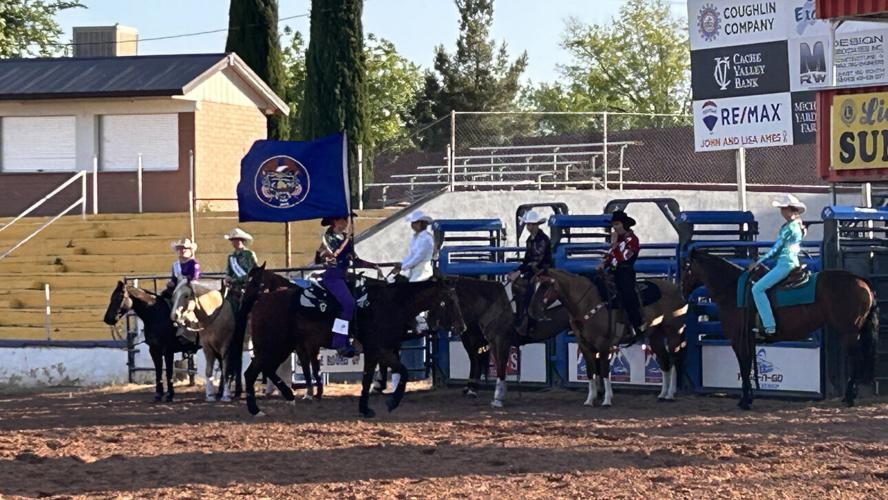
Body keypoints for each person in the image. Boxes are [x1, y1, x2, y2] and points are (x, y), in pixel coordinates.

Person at [317, 214, 380, 358]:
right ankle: (339, 342)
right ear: (334, 221)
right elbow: (334, 255)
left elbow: (354, 259)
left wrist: (370, 265)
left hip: (343, 276)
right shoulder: (329, 237)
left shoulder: (345, 238)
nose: (345, 223)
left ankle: (355, 336)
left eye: (346, 220)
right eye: (342, 220)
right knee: (348, 304)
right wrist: (347, 239)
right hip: (333, 277)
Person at [748, 194, 807, 337]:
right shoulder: (797, 226)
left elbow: (776, 248)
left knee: (757, 289)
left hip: (785, 264)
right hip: (792, 262)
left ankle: (769, 326)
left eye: (783, 209)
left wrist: (758, 262)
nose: (781, 212)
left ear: (789, 210)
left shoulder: (789, 228)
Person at [597, 210, 643, 344]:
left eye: (617, 224)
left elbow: (623, 258)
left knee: (628, 297)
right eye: (613, 225)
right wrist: (603, 264)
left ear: (624, 224)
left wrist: (615, 245)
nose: (615, 227)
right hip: (612, 272)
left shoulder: (632, 240)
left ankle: (638, 327)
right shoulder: (619, 240)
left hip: (625, 273)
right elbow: (611, 257)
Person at [507, 210, 552, 337]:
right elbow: (528, 260)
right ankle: (524, 318)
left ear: (536, 225)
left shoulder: (542, 240)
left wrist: (520, 271)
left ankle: (531, 323)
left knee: (529, 291)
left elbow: (537, 261)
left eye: (530, 224)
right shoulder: (531, 240)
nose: (528, 227)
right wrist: (517, 271)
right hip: (533, 270)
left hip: (543, 270)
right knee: (520, 288)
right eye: (528, 224)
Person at [163, 238, 200, 351]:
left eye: (185, 248)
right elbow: (174, 279)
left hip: (189, 289)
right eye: (180, 249)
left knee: (184, 300)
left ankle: (187, 332)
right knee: (163, 299)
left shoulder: (193, 263)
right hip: (177, 289)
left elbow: (195, 277)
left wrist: (187, 279)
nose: (182, 250)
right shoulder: (175, 265)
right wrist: (171, 283)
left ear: (189, 250)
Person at [392, 211, 435, 282]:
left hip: (423, 272)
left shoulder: (427, 238)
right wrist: (401, 263)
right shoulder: (415, 238)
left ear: (422, 223)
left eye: (415, 222)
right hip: (414, 271)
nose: (413, 225)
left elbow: (419, 257)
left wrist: (403, 267)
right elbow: (411, 255)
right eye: (412, 223)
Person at [223, 227, 257, 307]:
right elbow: (229, 272)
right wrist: (227, 278)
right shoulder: (231, 257)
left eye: (238, 240)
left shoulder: (249, 254)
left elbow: (252, 272)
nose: (235, 242)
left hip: (247, 288)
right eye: (233, 240)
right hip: (233, 289)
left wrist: (235, 280)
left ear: (242, 241)